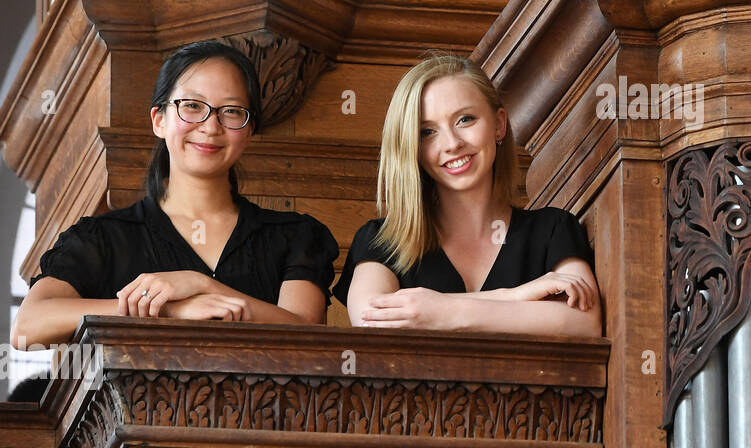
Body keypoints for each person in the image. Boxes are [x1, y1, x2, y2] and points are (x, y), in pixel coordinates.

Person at [10, 40, 338, 348]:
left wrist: (202, 285)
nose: (211, 126)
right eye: (192, 106)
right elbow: (27, 328)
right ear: (159, 120)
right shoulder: (103, 239)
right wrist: (170, 310)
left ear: (249, 131)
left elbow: (305, 334)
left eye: (232, 111)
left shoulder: (295, 236)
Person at [335, 53, 601, 337]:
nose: (452, 143)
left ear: (499, 125)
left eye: (465, 119)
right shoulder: (382, 240)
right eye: (427, 131)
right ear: (411, 147)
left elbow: (584, 322)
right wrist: (513, 296)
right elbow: (371, 320)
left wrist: (440, 311)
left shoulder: (552, 230)